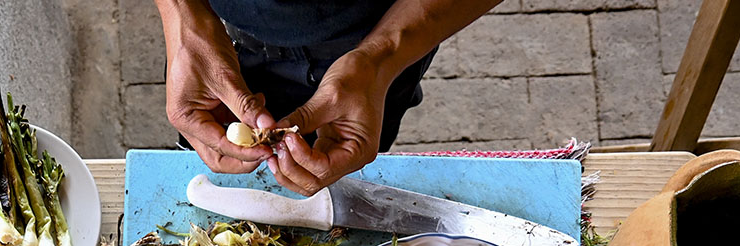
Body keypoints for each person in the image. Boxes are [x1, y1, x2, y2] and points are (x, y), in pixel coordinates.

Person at [153, 0, 501, 195]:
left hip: (382, 34)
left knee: (336, 169)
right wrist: (182, 18)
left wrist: (379, 60)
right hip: (211, 39)